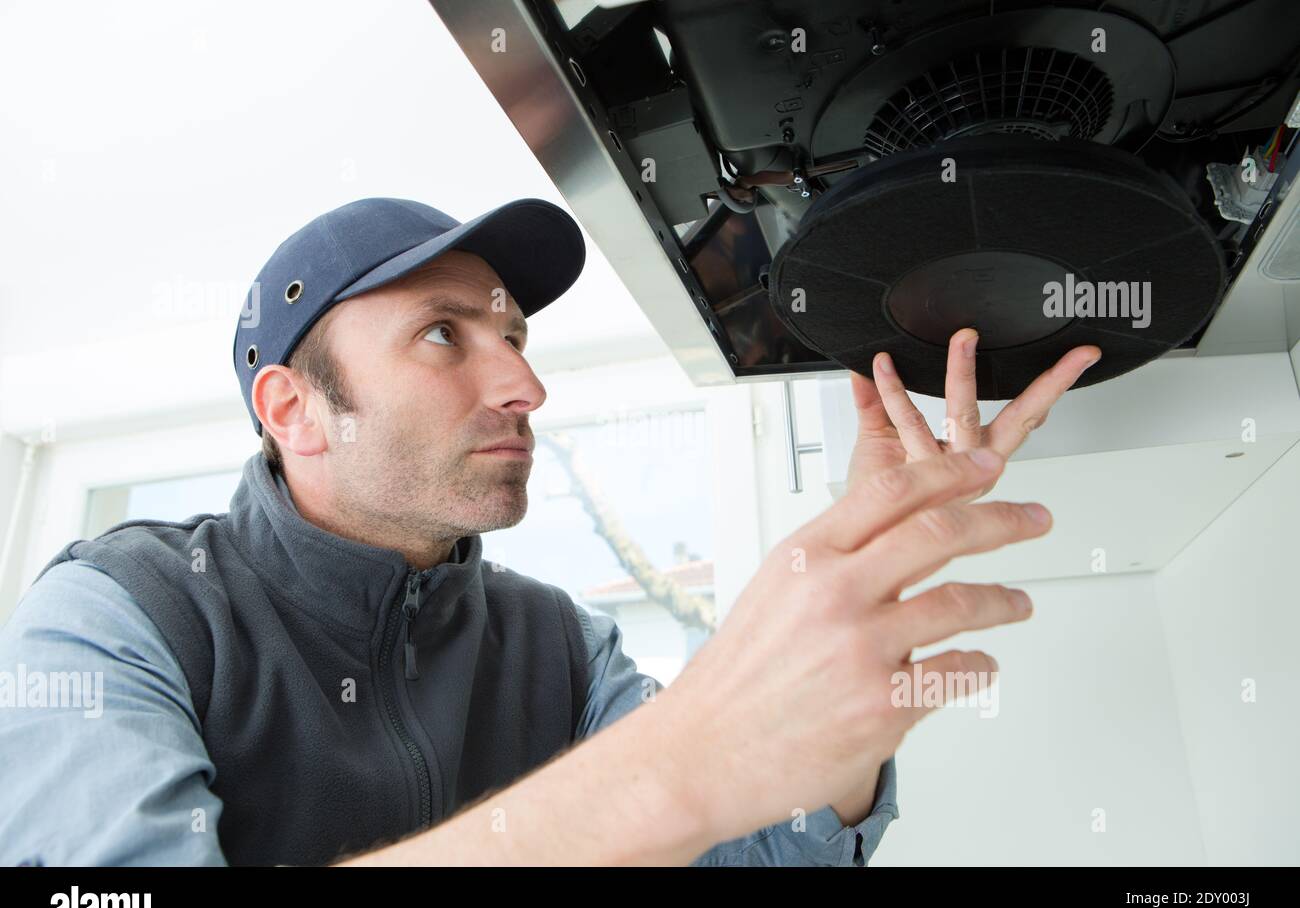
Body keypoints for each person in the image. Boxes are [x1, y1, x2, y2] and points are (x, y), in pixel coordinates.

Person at [0, 197, 1100, 866]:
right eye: (443, 333)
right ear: (295, 410)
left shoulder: (562, 643)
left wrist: (853, 643)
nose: (524, 381)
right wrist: (676, 759)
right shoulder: (116, 614)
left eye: (515, 333)